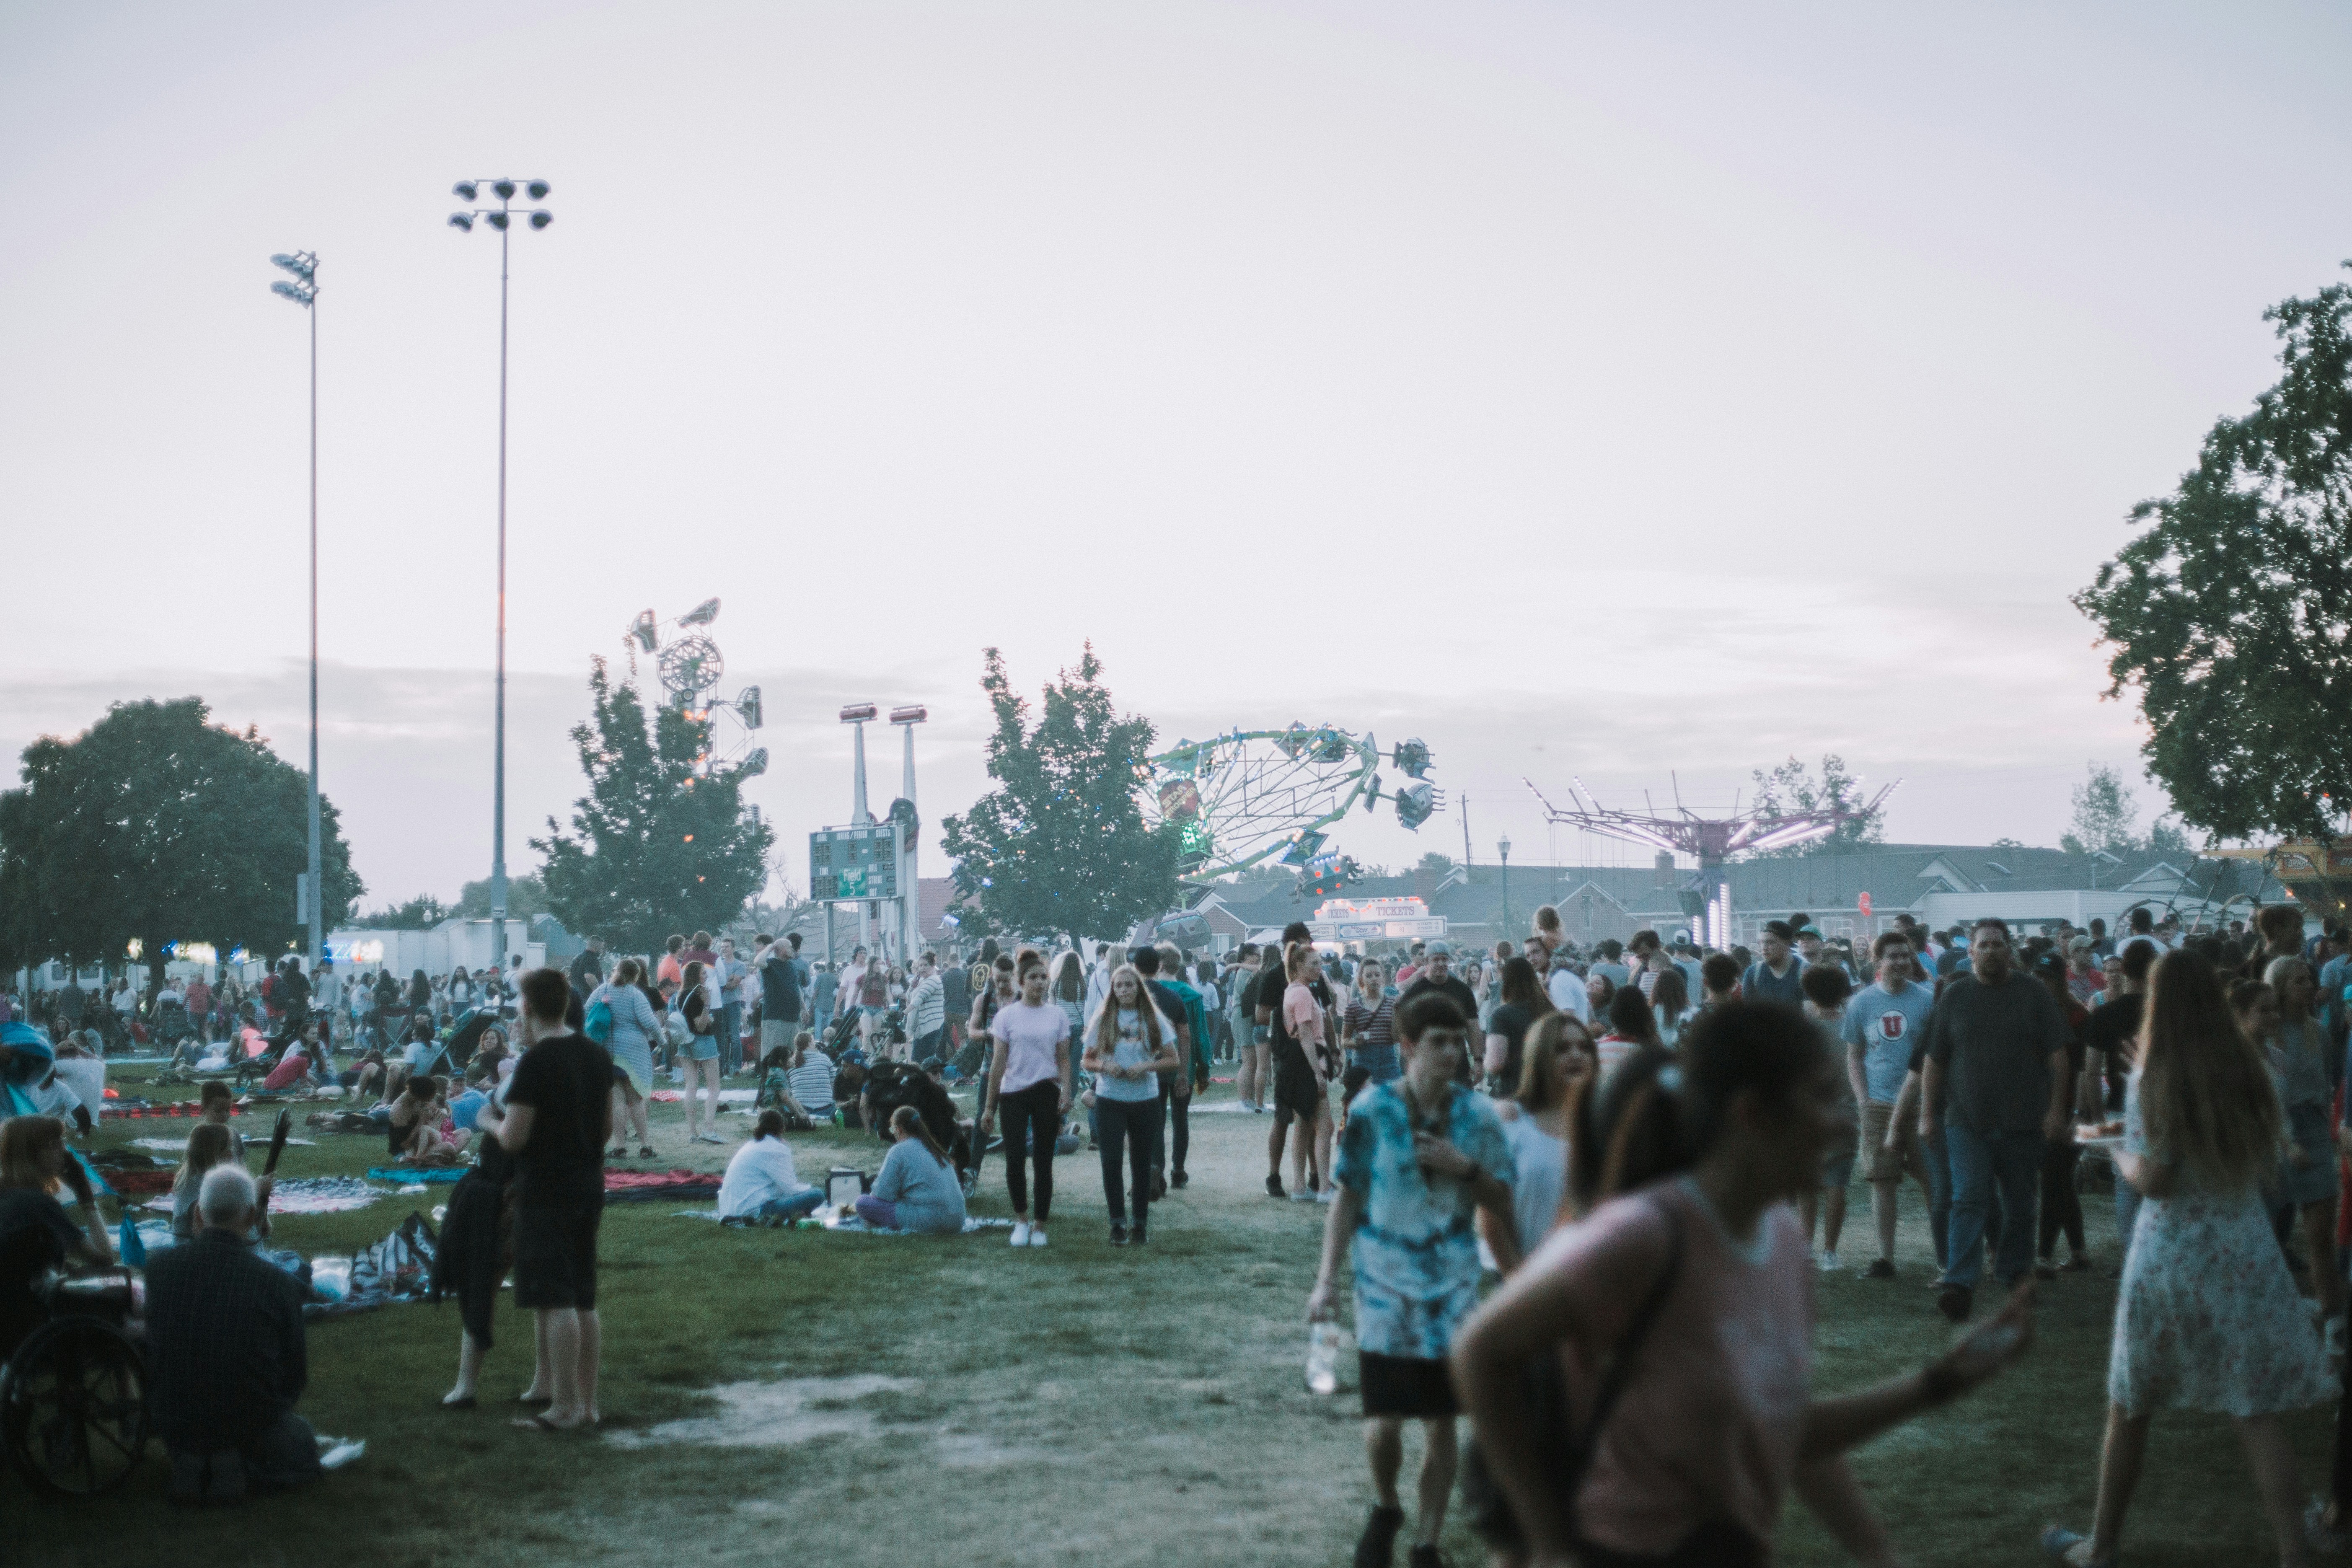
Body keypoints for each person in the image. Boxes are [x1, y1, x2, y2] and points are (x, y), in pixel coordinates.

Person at [1453, 1003, 2037, 1568]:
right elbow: (1481, 1351)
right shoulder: (1645, 1234)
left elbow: (1783, 1428)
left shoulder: (1782, 1238)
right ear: (1753, 1113)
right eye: (1819, 1097)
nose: (1840, 1121)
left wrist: (1939, 1385)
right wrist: (1549, 1543)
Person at [2040, 949, 2334, 1568]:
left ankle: (2102, 1547)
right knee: (2256, 1409)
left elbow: (2155, 1179)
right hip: (2245, 1247)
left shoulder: (2159, 1075)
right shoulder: (2253, 1066)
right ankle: (2294, 1552)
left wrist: (2114, 1145)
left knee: (2130, 1405)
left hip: (2172, 1255)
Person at [1308, 994, 1518, 1568]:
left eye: (1458, 1041)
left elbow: (1504, 1197)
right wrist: (1326, 1279)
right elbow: (1347, 1195)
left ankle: (1427, 1543)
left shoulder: (1478, 1116)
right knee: (1383, 1423)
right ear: (1407, 1047)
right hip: (1383, 1288)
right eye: (1438, 1042)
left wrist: (1463, 1167)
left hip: (1451, 1288)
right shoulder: (1373, 1110)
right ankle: (1385, 1506)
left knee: (1441, 1420)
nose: (1453, 1052)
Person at [474, 968, 612, 1433]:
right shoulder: (595, 1053)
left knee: (555, 1298)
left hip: (546, 1188)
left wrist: (487, 1120)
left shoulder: (536, 1061)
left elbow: (514, 1137)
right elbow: (607, 1128)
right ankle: (588, 1405)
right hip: (588, 1183)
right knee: (583, 1295)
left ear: (529, 1007)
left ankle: (565, 1407)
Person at [1921, 917, 2074, 1322]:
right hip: (1965, 1120)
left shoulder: (2033, 993)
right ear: (1971, 952)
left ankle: (2014, 1273)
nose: (1990, 951)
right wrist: (1926, 1115)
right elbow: (1935, 1060)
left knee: (2021, 1203)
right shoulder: (1954, 996)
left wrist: (2056, 1111)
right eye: (1983, 945)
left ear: (2010, 951)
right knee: (1968, 1198)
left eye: (1997, 944)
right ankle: (1959, 1284)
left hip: (2022, 1120)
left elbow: (2059, 1055)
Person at [146, 1164, 321, 1500]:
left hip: (176, 1417)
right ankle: (236, 1462)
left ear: (198, 1214)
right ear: (252, 1216)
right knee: (300, 1437)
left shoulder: (159, 1269)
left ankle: (197, 1458)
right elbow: (294, 1373)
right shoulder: (275, 1282)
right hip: (251, 1420)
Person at [1846, 931, 1938, 1280]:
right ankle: (1885, 1258)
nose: (1900, 962)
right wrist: (1862, 1100)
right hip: (1878, 1103)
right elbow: (1854, 1056)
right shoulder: (1861, 1003)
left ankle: (1945, 1254)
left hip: (1919, 1103)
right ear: (1877, 961)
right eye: (1892, 956)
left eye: (1905, 955)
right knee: (1882, 1181)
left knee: (1932, 1180)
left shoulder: (1927, 1000)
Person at [2263, 955, 2343, 1350]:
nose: (2310, 986)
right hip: (2272, 1132)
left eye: (2309, 979)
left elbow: (2328, 1081)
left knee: (2320, 1236)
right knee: (2263, 1234)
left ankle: (2333, 1322)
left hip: (2312, 1128)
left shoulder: (2318, 1032)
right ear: (2279, 987)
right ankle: (2266, 1317)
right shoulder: (2265, 1034)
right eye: (2299, 981)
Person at [1479, 1012, 1597, 1268]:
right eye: (1562, 1049)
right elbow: (1492, 1215)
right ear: (1539, 1057)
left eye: (1584, 1048)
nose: (1576, 1055)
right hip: (1522, 1271)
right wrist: (1517, 1277)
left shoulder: (1604, 1122)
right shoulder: (1512, 1122)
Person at [431, 1069, 517, 1408]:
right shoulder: (556, 1066)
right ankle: (546, 1385)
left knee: (481, 1282)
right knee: (549, 1297)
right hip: (503, 1182)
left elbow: (511, 1134)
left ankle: (466, 1386)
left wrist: (490, 1121)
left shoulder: (540, 1070)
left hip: (508, 1187)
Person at [1080, 965, 1179, 1245]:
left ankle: (1139, 1224)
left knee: (1141, 1163)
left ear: (1139, 988)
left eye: (1129, 985)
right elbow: (1087, 1059)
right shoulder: (1103, 1019)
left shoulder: (1153, 1018)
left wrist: (1146, 1066)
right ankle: (1117, 1223)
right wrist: (1104, 1066)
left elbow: (1173, 1059)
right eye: (1119, 985)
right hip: (1110, 1099)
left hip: (1145, 1100)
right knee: (1111, 1161)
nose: (1124, 990)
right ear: (1112, 989)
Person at [978, 957, 1072, 1249]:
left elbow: (1064, 1059)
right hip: (1014, 1093)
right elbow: (998, 1063)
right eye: (1033, 977)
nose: (1040, 982)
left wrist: (1067, 1091)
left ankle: (1040, 1225)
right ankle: (1021, 1220)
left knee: (1044, 1160)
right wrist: (989, 1107)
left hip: (1046, 1090)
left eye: (1044, 977)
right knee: (1015, 1158)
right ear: (1021, 981)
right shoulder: (1006, 1017)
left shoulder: (1057, 1015)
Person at [0, 1116, 112, 1361]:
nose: (65, 1150)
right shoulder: (39, 1204)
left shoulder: (8, 1198)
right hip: (32, 1324)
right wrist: (85, 1195)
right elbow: (104, 1260)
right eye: (56, 1144)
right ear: (34, 1154)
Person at [1257, 921, 1334, 1197]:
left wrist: (1334, 1049)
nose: (1318, 966)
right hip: (1290, 1055)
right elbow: (1261, 1016)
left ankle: (1310, 1180)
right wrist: (1290, 1019)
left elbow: (1325, 1015)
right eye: (1307, 940)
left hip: (1306, 1052)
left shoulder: (1311, 980)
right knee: (1286, 1119)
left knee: (1305, 1122)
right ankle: (1277, 1176)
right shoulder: (1278, 979)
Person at [1800, 963, 1857, 1273]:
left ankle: (1805, 1248)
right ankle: (1830, 1252)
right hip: (1845, 1112)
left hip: (1808, 1114)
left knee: (1807, 1186)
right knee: (1837, 1184)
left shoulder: (1803, 1030)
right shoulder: (1851, 1026)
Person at [1278, 941, 1339, 1203]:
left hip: (1297, 1062)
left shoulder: (1293, 990)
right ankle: (1324, 1188)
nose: (1320, 968)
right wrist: (1317, 1072)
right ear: (1299, 965)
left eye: (1320, 963)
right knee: (1325, 1127)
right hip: (1308, 1062)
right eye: (1314, 964)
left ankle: (1300, 1187)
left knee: (1303, 1126)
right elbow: (1305, 1034)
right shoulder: (1302, 993)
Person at [590, 958, 662, 1161]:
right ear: (635, 976)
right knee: (635, 1100)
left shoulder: (603, 990)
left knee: (617, 1101)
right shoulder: (635, 994)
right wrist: (662, 1040)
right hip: (633, 1051)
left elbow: (587, 1010)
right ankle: (645, 1145)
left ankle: (619, 1146)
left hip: (608, 1050)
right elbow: (649, 1021)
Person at [855, 1105, 969, 1234]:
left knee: (862, 1203)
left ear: (899, 1130)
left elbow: (882, 1194)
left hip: (930, 1220)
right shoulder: (936, 1151)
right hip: (957, 1220)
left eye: (892, 1130)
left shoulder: (899, 1150)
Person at [717, 1109, 824, 1223]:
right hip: (754, 1209)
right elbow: (790, 1188)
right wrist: (807, 1189)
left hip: (730, 1209)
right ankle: (771, 1218)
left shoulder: (752, 1145)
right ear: (782, 1128)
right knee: (817, 1195)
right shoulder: (776, 1149)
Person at [1480, 956, 1553, 1092]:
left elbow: (1495, 1064)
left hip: (1515, 1090)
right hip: (1548, 1088)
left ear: (1506, 981)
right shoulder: (1550, 1010)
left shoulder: (1501, 1016)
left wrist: (1484, 1061)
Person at [677, 960, 724, 1145]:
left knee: (691, 1087)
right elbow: (701, 1026)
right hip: (703, 1041)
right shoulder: (698, 996)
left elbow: (690, 1020)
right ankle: (709, 1130)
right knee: (714, 1087)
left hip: (684, 1042)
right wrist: (707, 1005)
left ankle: (693, 1132)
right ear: (695, 976)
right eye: (703, 973)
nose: (706, 976)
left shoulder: (681, 994)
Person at [1342, 957, 1401, 1105]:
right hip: (1363, 1061)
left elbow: (1397, 1038)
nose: (1374, 979)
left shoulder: (1393, 1003)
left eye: (1377, 975)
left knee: (1393, 1104)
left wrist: (1397, 1014)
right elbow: (1344, 1040)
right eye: (1369, 976)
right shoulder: (1354, 1007)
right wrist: (1355, 1042)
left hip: (1388, 1060)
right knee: (1364, 1106)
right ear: (1361, 979)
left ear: (1382, 977)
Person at [1229, 944, 1267, 1112]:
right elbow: (1247, 993)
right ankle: (1245, 1101)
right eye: (1256, 955)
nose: (1259, 957)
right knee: (1249, 1063)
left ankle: (1250, 1100)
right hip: (1243, 1017)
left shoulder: (1246, 971)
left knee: (1253, 1063)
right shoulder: (1244, 973)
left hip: (1247, 1017)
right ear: (1246, 957)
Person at [1742, 920, 1806, 1007]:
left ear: (1787, 944)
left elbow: (1811, 1012)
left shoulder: (1806, 972)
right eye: (1762, 942)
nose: (1764, 948)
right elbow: (1748, 1011)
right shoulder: (1753, 974)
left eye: (1771, 943)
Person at [787, 1030, 836, 1121]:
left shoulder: (791, 1063)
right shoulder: (825, 1059)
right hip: (826, 1108)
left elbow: (788, 1089)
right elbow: (833, 1085)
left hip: (800, 1109)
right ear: (810, 1043)